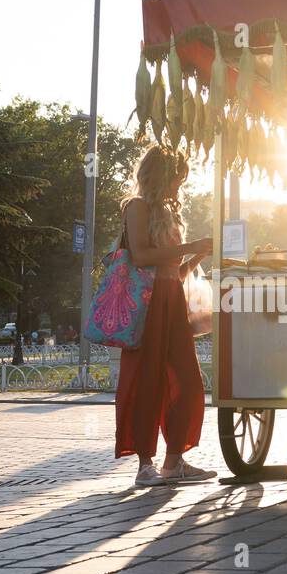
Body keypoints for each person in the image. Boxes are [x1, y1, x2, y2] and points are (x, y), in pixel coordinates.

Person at [114, 144, 216, 487]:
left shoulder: (167, 212)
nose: (179, 187)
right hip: (148, 302)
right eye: (176, 179)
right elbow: (142, 257)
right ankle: (145, 465)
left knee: (188, 380)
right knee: (147, 379)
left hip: (171, 297)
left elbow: (175, 270)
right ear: (161, 175)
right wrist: (189, 246)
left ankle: (174, 462)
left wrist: (198, 255)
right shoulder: (137, 207)